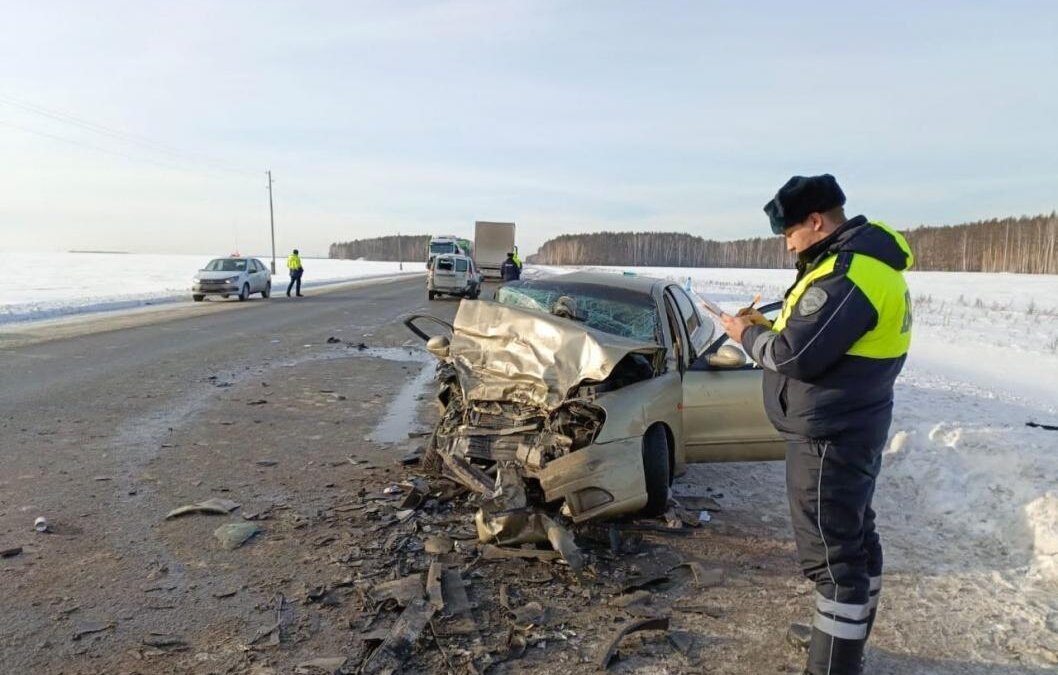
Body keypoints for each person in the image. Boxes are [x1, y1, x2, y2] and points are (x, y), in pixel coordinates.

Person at [720, 174, 913, 675]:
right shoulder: (852, 266)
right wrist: (769, 326)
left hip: (830, 435)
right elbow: (810, 335)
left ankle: (833, 663)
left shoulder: (850, 274)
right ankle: (844, 640)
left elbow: (795, 354)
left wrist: (745, 335)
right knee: (855, 540)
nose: (787, 244)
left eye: (789, 234)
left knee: (834, 559)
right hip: (850, 423)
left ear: (815, 220)